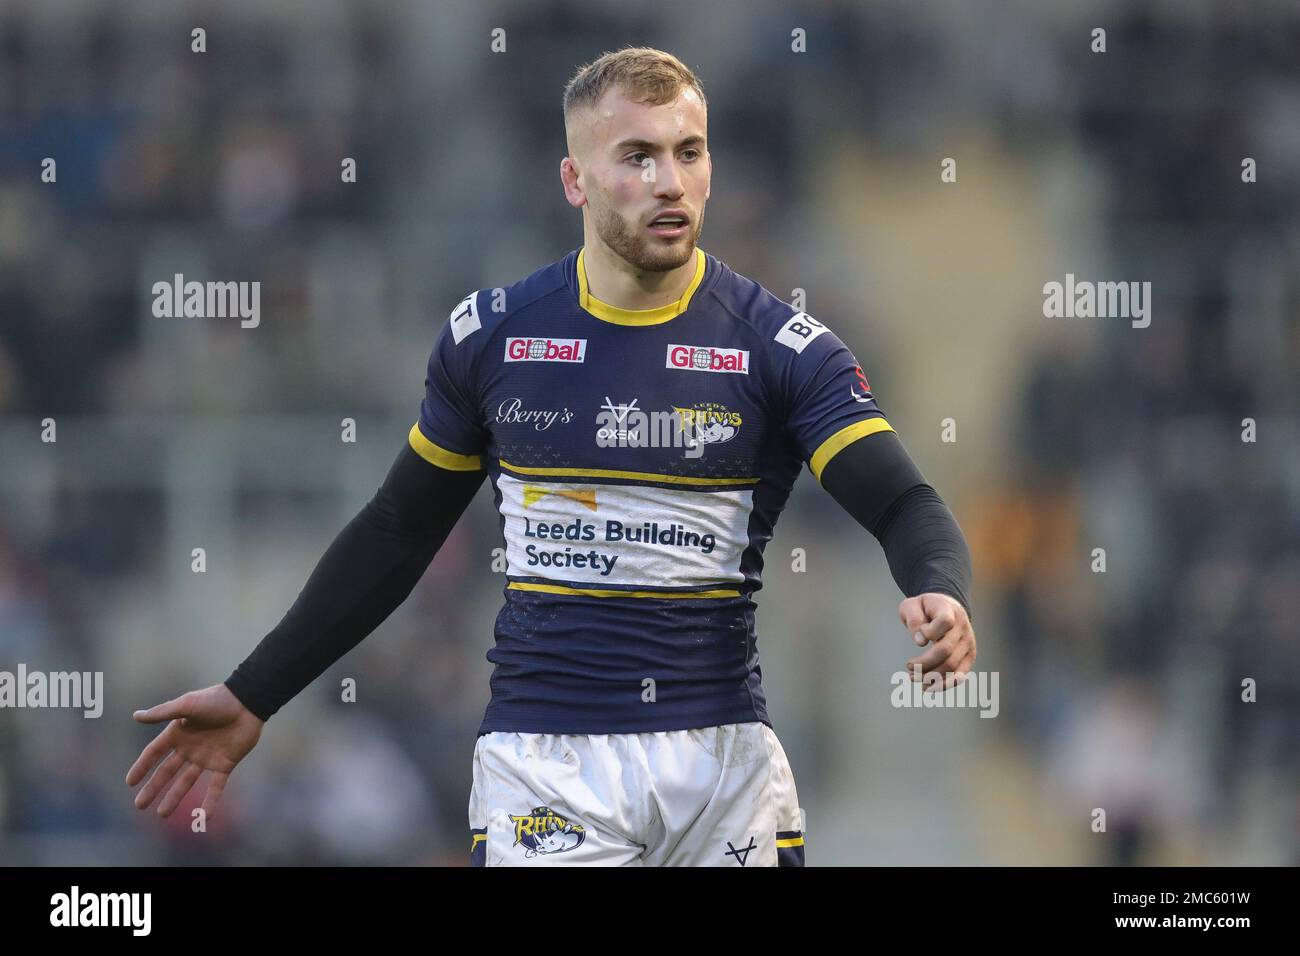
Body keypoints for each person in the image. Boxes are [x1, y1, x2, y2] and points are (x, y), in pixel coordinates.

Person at [127, 46, 975, 867]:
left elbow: (903, 503)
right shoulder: (493, 337)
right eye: (636, 157)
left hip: (723, 767)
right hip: (546, 764)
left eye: (688, 153)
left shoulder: (786, 350)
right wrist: (254, 692)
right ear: (574, 179)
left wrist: (938, 584)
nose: (668, 182)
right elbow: (399, 530)